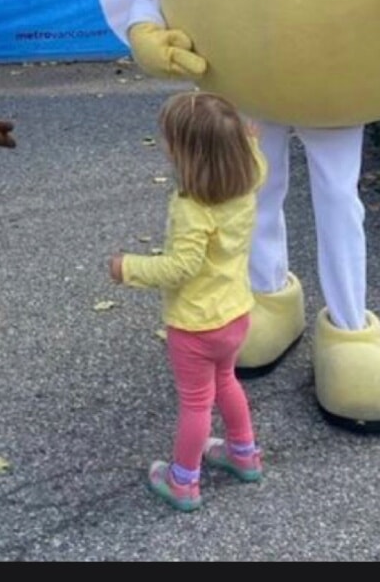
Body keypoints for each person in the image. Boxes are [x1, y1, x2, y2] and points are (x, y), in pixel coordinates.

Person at [107, 91, 268, 513]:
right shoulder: (249, 180)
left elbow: (181, 267)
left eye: (171, 142)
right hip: (236, 314)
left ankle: (183, 481)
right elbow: (255, 155)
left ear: (189, 155)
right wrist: (247, 140)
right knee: (227, 382)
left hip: (196, 326)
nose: (166, 147)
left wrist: (129, 268)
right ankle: (244, 454)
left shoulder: (193, 209)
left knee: (196, 403)